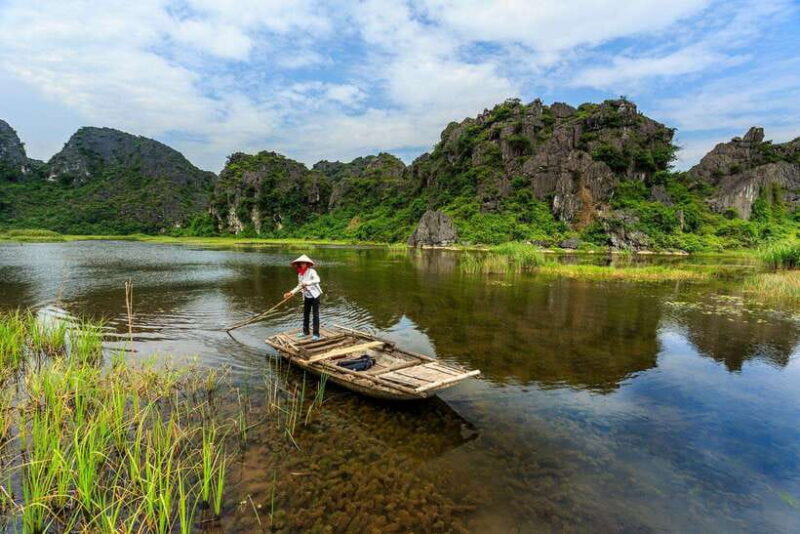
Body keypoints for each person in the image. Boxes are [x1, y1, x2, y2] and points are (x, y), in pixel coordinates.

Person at [283, 254, 323, 340]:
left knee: (315, 315)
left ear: (307, 264)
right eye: (301, 263)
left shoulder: (312, 271)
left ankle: (316, 334)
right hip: (306, 296)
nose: (302, 265)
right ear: (299, 264)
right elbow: (299, 286)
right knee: (306, 314)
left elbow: (317, 280)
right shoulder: (300, 274)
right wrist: (291, 292)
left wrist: (307, 283)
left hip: (315, 295)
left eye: (304, 263)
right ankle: (305, 332)